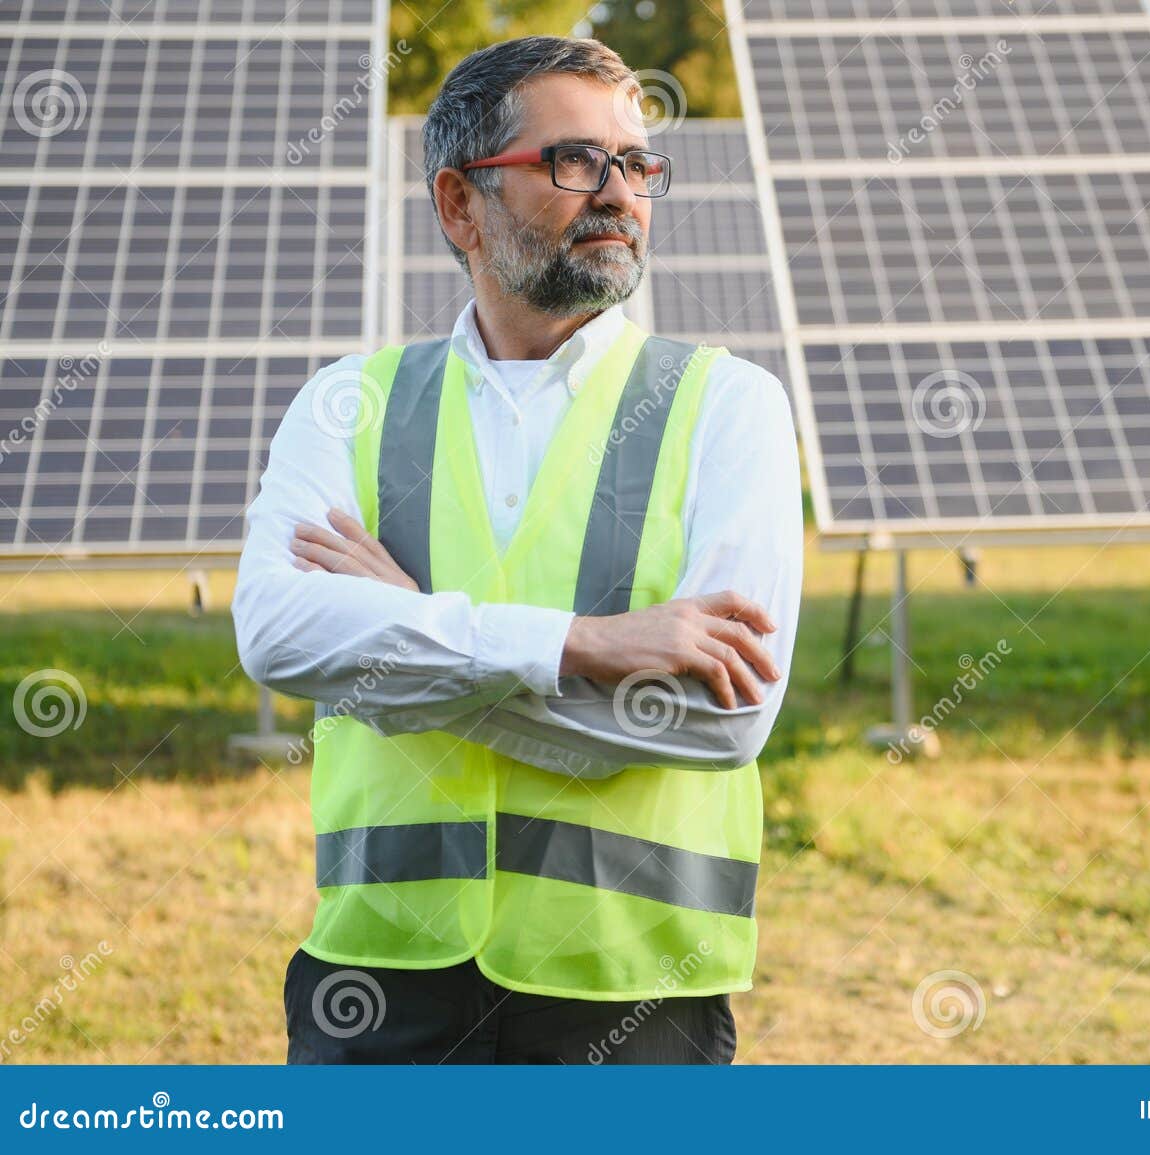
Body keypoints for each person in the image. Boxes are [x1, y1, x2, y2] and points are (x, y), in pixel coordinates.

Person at [231, 35, 803, 1065]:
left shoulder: (729, 408)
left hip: (631, 989)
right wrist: (580, 644)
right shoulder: (347, 403)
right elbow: (279, 636)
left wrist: (402, 653)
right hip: (377, 979)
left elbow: (729, 717)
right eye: (574, 161)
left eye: (636, 164)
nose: (619, 193)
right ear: (460, 204)